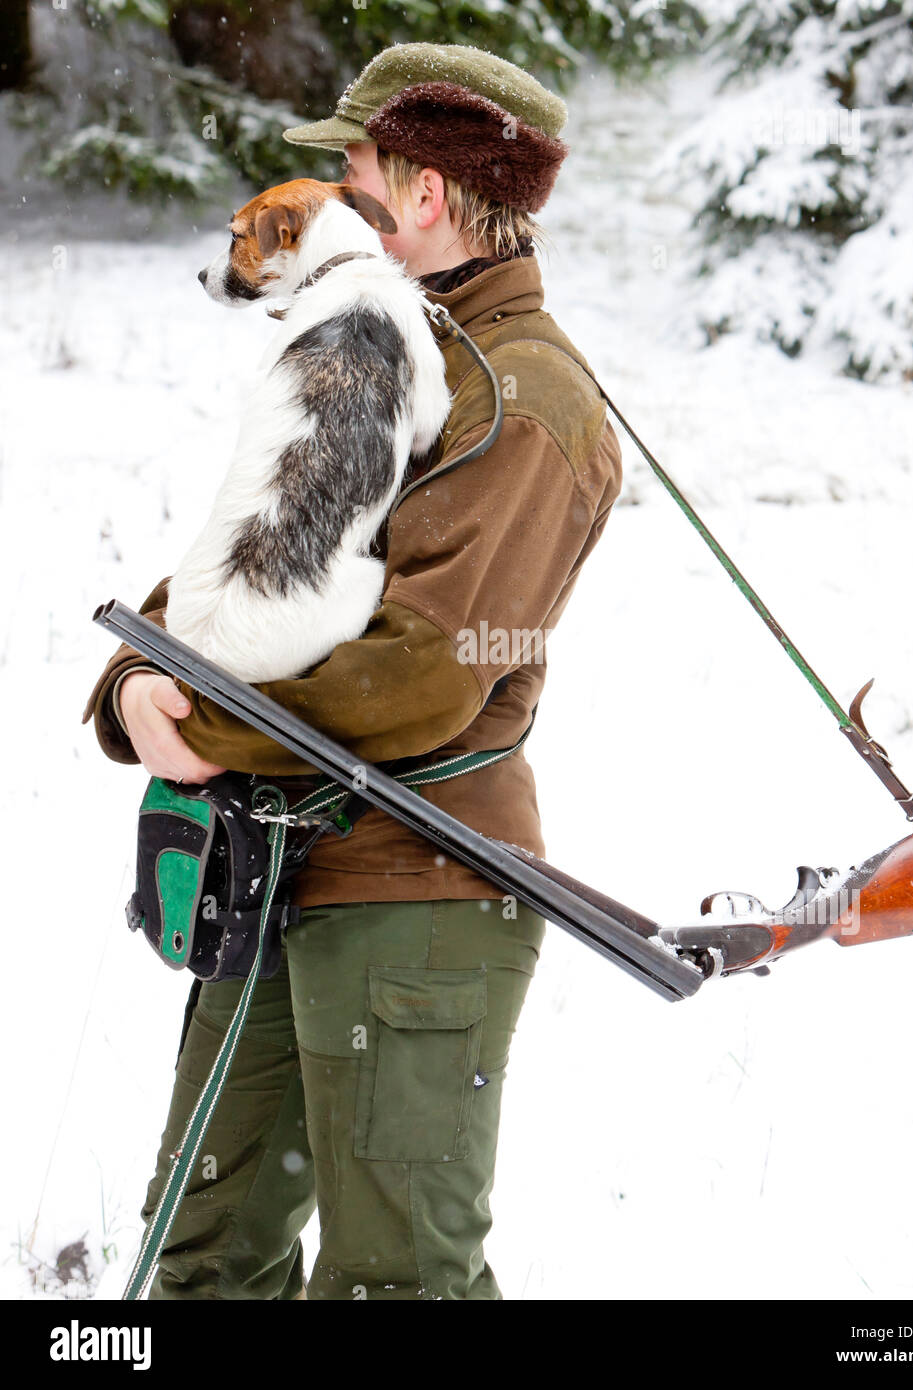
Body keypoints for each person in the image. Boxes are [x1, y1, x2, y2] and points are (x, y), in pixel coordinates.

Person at [84, 41, 622, 1301]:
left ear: (423, 196)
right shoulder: (364, 339)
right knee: (203, 1261)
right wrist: (131, 686)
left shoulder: (527, 400)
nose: (331, 201)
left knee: (394, 1287)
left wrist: (208, 727)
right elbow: (250, 554)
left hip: (418, 898)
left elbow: (430, 671)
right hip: (274, 874)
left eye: (358, 173)